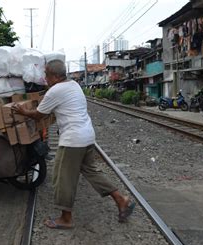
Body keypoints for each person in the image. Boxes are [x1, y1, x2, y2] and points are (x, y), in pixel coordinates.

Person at [13, 59, 135, 229]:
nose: (45, 78)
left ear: (55, 76)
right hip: (87, 136)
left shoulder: (55, 90)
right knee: (91, 171)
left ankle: (66, 218)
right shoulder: (74, 85)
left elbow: (39, 115)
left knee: (63, 178)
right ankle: (121, 199)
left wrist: (22, 111)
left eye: (47, 75)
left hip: (73, 141)